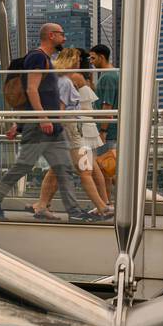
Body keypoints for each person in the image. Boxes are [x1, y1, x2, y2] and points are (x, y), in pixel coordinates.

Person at [0, 24, 102, 223]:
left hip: (52, 126)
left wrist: (26, 123)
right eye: (62, 34)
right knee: (22, 167)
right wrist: (42, 118)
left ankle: (74, 212)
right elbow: (31, 89)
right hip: (41, 126)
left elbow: (41, 94)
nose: (64, 38)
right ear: (51, 35)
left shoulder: (46, 59)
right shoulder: (37, 57)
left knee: (64, 169)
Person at [30, 48, 113, 218]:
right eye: (75, 60)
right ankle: (102, 207)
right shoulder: (66, 82)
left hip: (66, 129)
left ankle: (41, 206)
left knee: (56, 169)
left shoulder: (55, 80)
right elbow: (59, 110)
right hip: (71, 130)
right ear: (69, 62)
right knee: (85, 169)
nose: (78, 63)